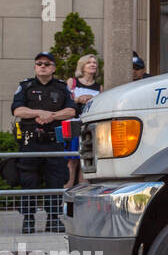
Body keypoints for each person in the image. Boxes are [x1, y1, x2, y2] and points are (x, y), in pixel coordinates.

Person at [11, 53, 75, 233]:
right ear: (35, 67)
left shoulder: (61, 87)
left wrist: (51, 116)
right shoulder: (26, 86)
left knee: (55, 180)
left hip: (54, 140)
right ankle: (28, 219)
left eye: (47, 64)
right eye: (39, 63)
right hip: (30, 140)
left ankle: (53, 219)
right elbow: (17, 109)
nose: (43, 66)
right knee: (29, 180)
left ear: (53, 68)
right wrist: (39, 112)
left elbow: (71, 111)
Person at [64, 53, 101, 188]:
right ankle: (65, 200)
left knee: (85, 162)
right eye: (89, 62)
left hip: (89, 127)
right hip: (74, 125)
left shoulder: (99, 87)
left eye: (94, 63)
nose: (92, 65)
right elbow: (64, 101)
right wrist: (78, 99)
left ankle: (81, 195)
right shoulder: (72, 82)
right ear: (82, 66)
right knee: (72, 162)